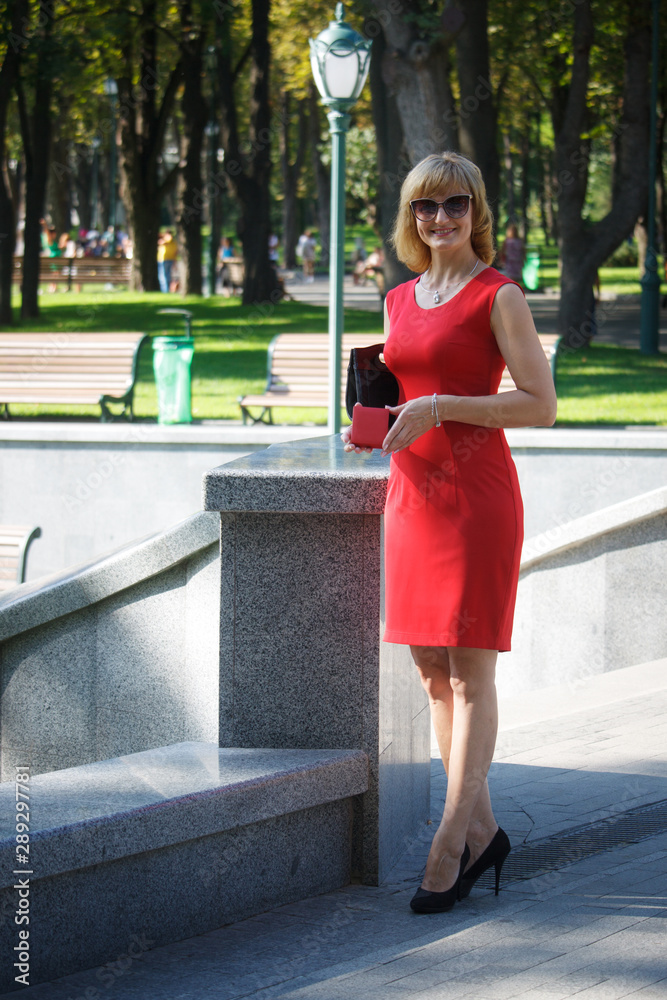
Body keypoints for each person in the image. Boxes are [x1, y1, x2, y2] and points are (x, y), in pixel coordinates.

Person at [342, 151, 556, 913]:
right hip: (412, 497)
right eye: (426, 207)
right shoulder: (398, 298)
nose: (441, 219)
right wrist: (377, 418)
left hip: (474, 499)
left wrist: (440, 406)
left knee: (470, 676)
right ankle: (486, 833)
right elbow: (406, 383)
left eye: (455, 205)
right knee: (431, 674)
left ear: (477, 211)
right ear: (410, 216)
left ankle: (446, 842)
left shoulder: (498, 295)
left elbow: (539, 404)